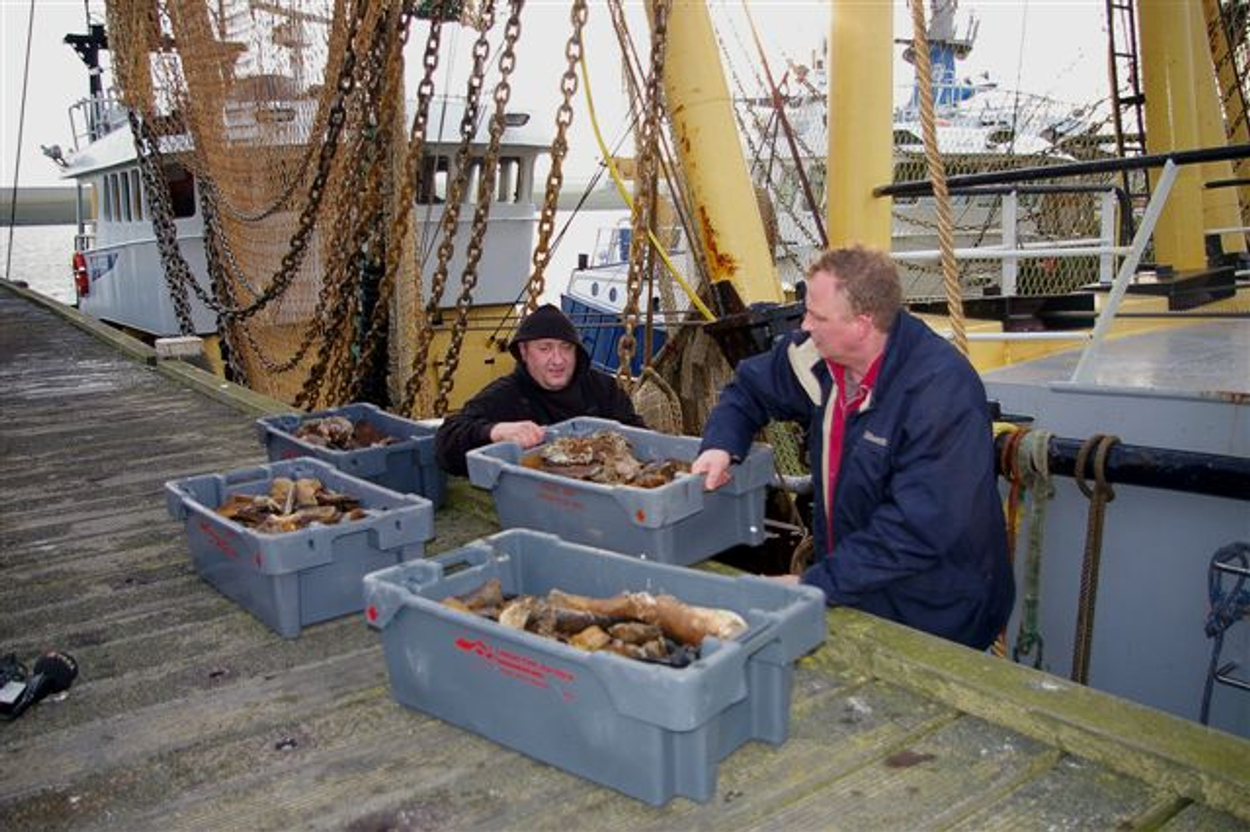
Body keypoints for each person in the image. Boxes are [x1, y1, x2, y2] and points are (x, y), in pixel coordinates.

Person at [691, 246, 1013, 650]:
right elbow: (749, 389)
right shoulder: (819, 358)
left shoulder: (940, 393)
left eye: (817, 317)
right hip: (855, 589)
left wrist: (812, 584)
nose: (804, 326)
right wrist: (722, 446)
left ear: (862, 324)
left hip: (936, 614)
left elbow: (918, 530)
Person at [434, 303, 646, 476]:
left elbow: (638, 434)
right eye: (545, 348)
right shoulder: (505, 395)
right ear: (524, 351)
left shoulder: (603, 388)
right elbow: (446, 443)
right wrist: (494, 431)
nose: (558, 359)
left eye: (566, 347)